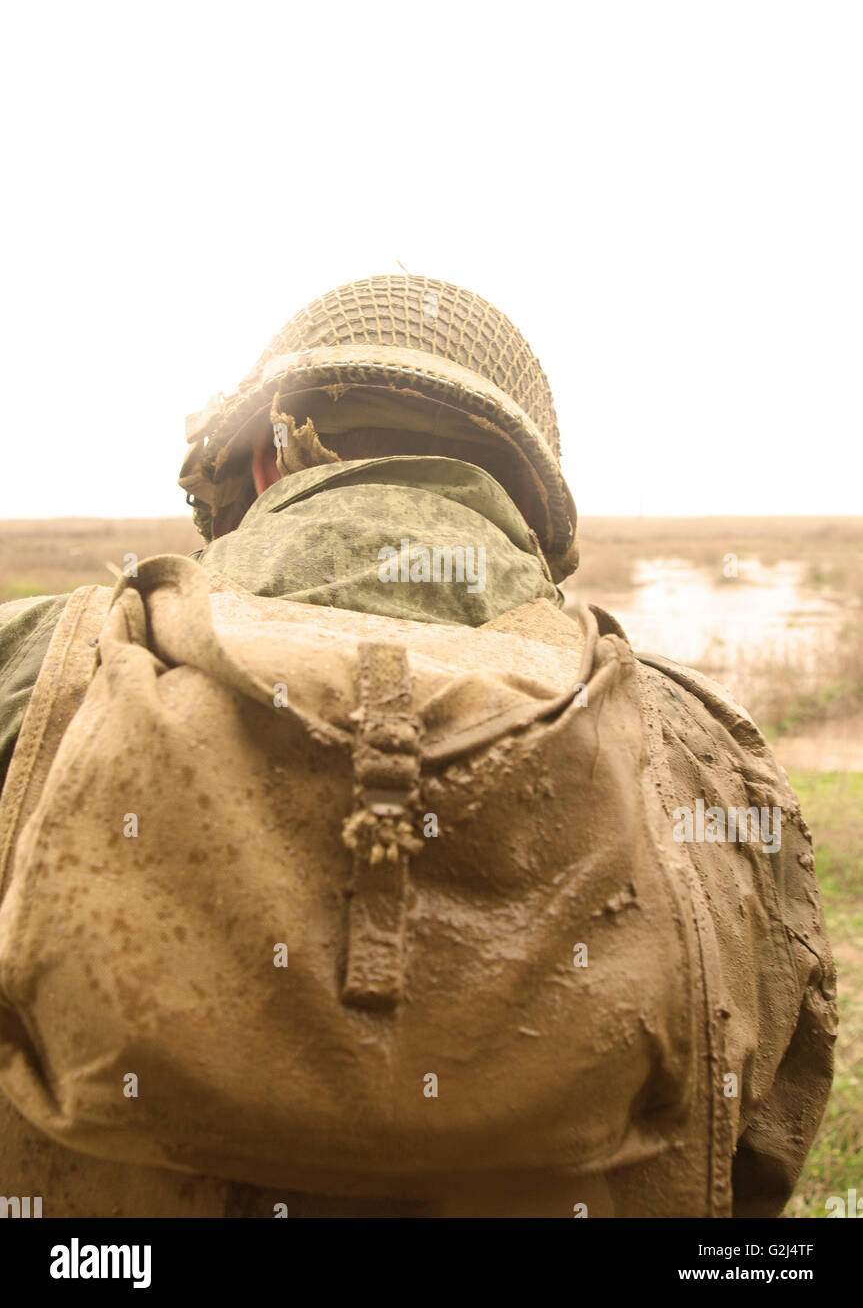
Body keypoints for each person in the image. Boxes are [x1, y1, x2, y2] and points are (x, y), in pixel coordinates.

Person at [0, 275, 836, 1218]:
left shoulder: (35, 666)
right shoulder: (702, 743)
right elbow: (761, 1136)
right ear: (524, 501)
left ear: (269, 464)